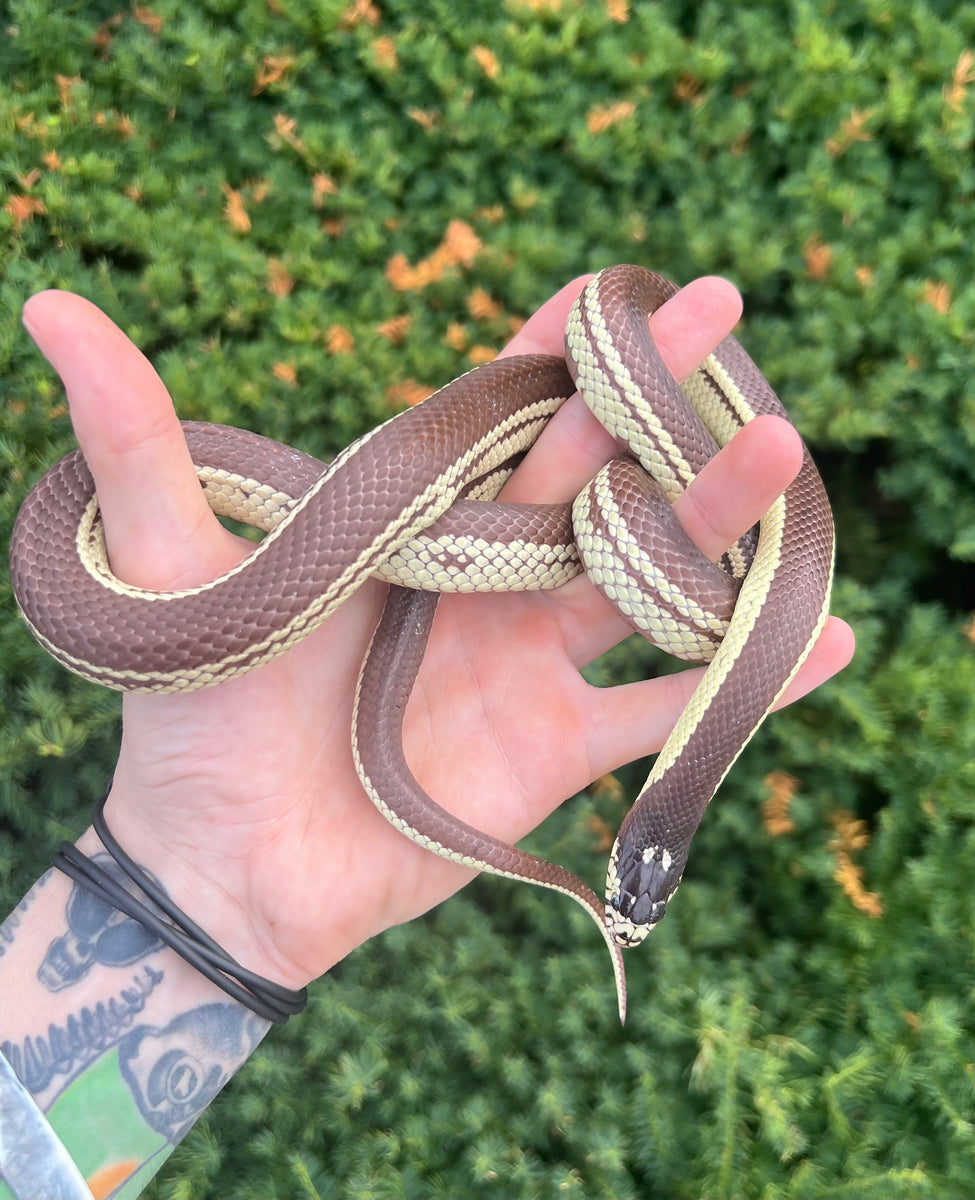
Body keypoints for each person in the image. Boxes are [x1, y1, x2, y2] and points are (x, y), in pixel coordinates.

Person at [0, 276, 854, 1199]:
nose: (630, 905)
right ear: (647, 856)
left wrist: (204, 894)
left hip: (626, 497)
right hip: (581, 426)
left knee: (700, 528)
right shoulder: (623, 507)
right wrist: (198, 879)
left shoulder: (742, 566)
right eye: (636, 895)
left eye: (629, 899)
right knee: (598, 437)